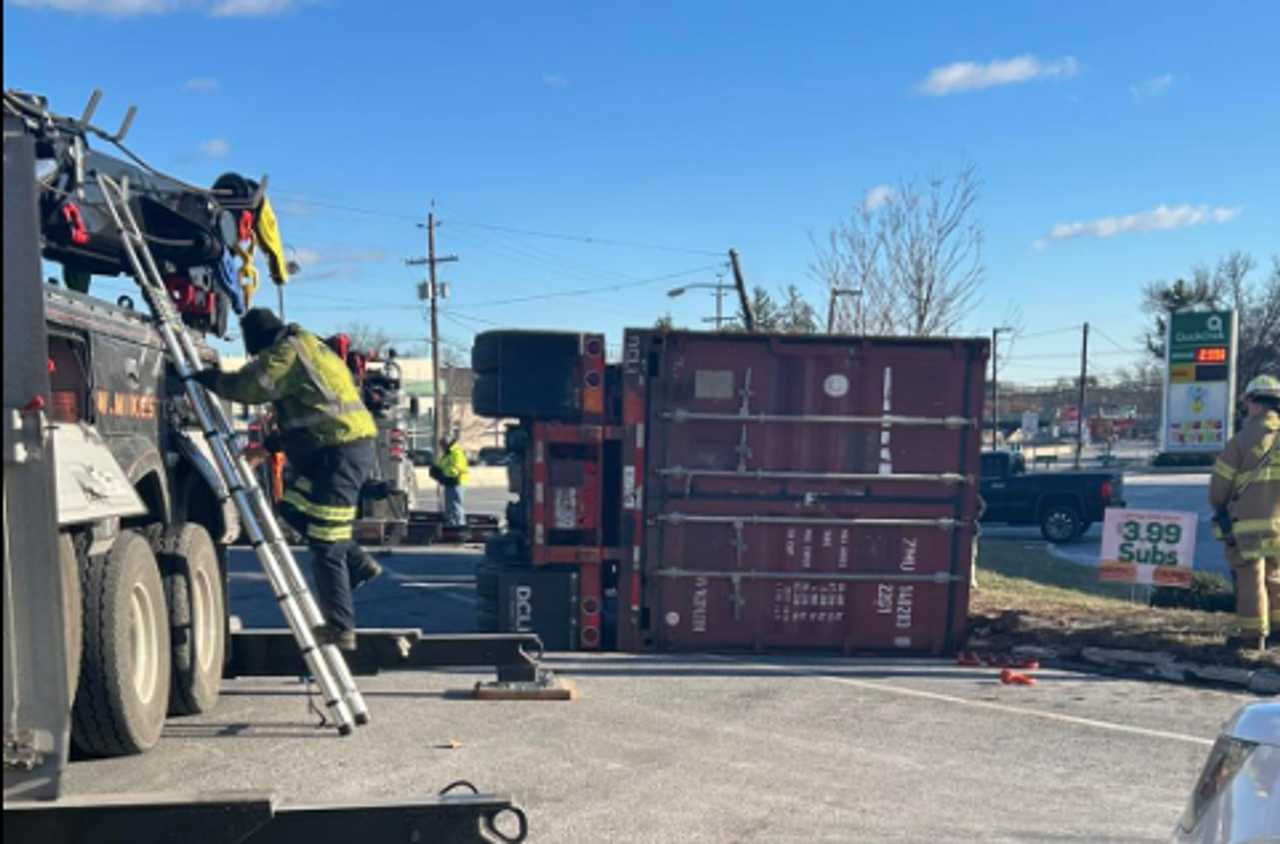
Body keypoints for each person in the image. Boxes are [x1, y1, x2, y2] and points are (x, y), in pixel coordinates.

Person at [194, 308, 382, 651]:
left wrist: (214, 380)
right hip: (334, 452)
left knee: (325, 545)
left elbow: (253, 386)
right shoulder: (307, 348)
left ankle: (341, 629)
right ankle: (357, 563)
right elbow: (312, 409)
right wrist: (271, 445)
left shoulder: (289, 351)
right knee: (293, 509)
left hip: (340, 454)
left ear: (259, 340)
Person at [1209, 374, 1280, 651]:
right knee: (1275, 578)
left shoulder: (1241, 440)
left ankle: (1252, 639)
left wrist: (1219, 508)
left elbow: (1219, 491)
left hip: (1247, 528)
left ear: (1254, 403)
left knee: (1250, 579)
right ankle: (1277, 632)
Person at [432, 436, 469, 527]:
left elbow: (456, 468)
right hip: (449, 482)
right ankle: (451, 524)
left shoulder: (456, 453)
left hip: (457, 482)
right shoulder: (447, 454)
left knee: (455, 505)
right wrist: (435, 469)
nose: (441, 447)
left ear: (447, 443)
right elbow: (441, 465)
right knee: (449, 506)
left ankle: (459, 525)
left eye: (442, 445)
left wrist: (443, 475)